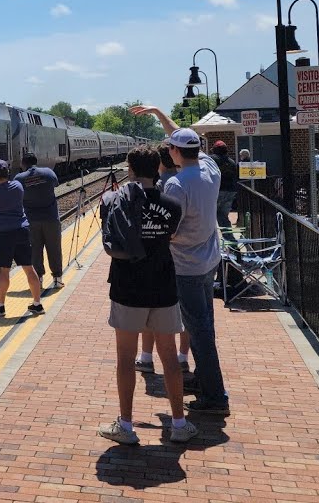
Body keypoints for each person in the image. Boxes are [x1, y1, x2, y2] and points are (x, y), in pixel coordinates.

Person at [131, 105, 229, 415]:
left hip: (185, 265)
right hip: (209, 260)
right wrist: (160, 113)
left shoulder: (175, 185)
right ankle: (203, 380)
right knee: (205, 326)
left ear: (174, 152)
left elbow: (168, 228)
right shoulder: (210, 168)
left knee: (198, 330)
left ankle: (215, 398)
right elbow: (182, 138)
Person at [98, 146, 197, 446]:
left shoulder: (113, 201)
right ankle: (179, 423)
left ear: (129, 169)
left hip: (127, 287)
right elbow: (172, 236)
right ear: (158, 169)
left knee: (125, 359)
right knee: (170, 357)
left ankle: (125, 426)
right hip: (163, 286)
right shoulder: (172, 205)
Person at [134, 144, 190, 376]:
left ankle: (147, 357)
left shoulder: (163, 185)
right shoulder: (185, 180)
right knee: (185, 312)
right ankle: (183, 357)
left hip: (163, 258)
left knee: (151, 309)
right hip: (188, 257)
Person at [0, 159, 44, 316]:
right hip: (22, 230)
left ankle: (0, 306)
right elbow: (7, 188)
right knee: (29, 268)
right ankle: (37, 304)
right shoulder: (18, 186)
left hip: (5, 234)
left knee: (4, 270)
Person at [15, 152, 65, 290]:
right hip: (51, 219)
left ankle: (38, 279)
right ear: (36, 161)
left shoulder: (19, 178)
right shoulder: (48, 172)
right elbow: (56, 183)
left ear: (23, 164)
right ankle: (57, 279)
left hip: (31, 221)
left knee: (35, 251)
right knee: (54, 248)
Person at [210, 141, 240, 237]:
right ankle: (232, 244)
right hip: (230, 192)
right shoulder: (231, 162)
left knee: (208, 217)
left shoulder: (212, 160)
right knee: (223, 217)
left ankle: (210, 245)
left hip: (217, 191)